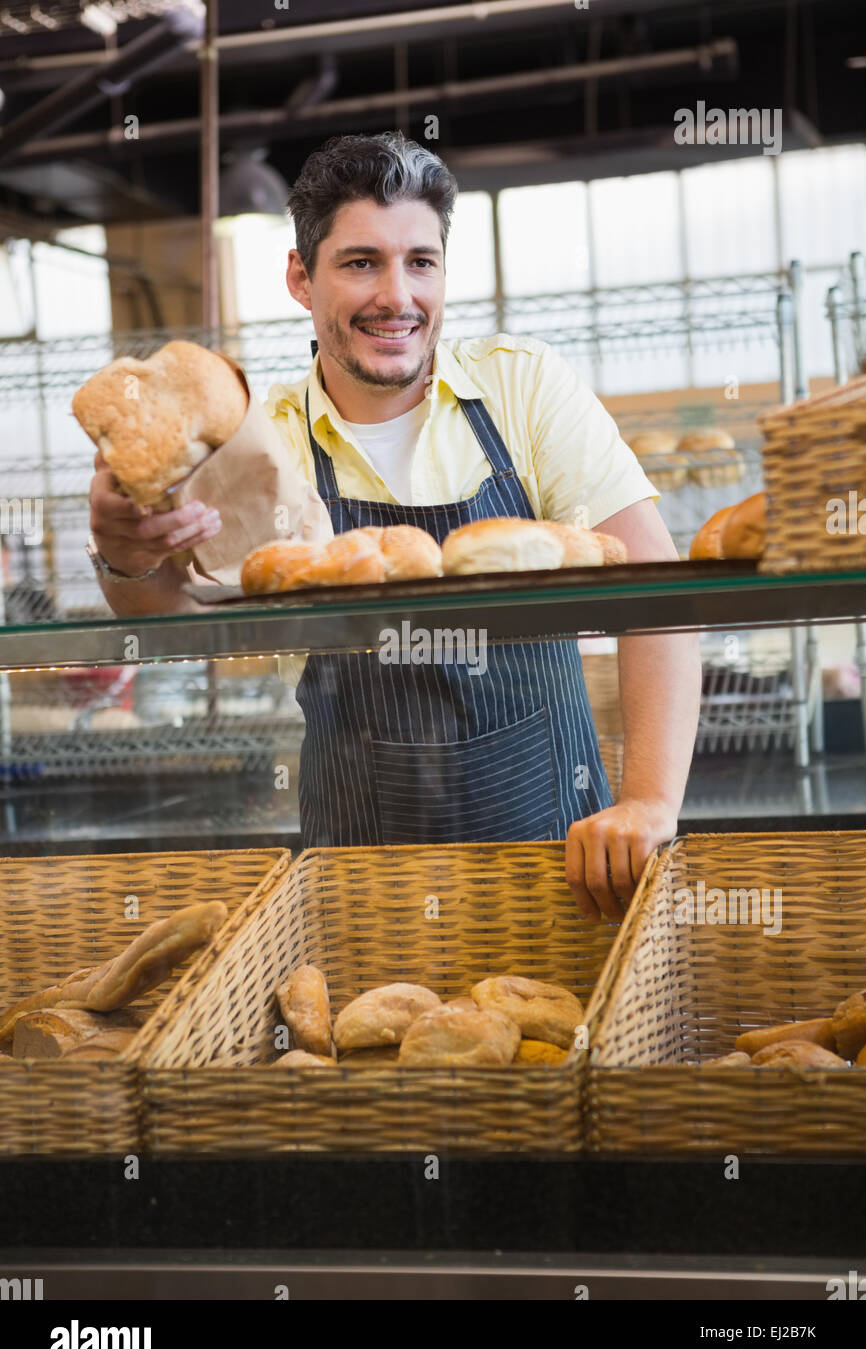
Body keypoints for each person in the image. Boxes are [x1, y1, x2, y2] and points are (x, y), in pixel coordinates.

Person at [89, 130, 702, 921]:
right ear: (300, 279)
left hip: (563, 862)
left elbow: (657, 596)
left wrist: (650, 801)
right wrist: (124, 555)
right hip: (358, 879)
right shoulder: (257, 437)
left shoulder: (523, 390)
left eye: (421, 261)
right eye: (360, 263)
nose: (397, 297)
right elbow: (177, 625)